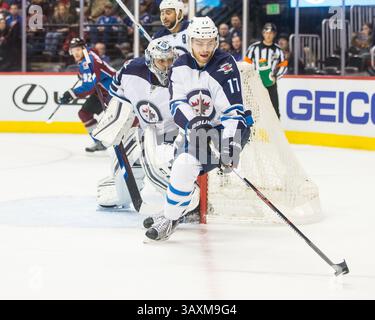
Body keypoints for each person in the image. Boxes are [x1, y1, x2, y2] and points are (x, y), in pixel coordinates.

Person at [145, 16, 253, 241]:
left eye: (209, 42)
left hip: (228, 129)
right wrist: (194, 124)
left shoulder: (225, 64)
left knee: (185, 166)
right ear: (190, 41)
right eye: (199, 43)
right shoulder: (180, 65)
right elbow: (177, 104)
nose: (205, 49)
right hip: (198, 129)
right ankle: (171, 215)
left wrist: (230, 146)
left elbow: (234, 111)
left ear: (216, 41)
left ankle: (170, 215)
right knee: (181, 166)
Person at [93, 39, 192, 214]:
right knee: (120, 169)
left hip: (173, 132)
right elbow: (118, 97)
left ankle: (184, 201)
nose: (167, 65)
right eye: (161, 61)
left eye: (170, 60)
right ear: (150, 60)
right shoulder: (131, 70)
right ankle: (118, 192)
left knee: (158, 169)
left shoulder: (183, 76)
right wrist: (114, 124)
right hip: (146, 130)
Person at [59, 38, 116, 152]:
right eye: (73, 50)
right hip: (101, 92)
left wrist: (71, 93)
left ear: (84, 49)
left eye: (78, 49)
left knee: (116, 120)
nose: (75, 53)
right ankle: (99, 142)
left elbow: (89, 86)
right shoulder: (89, 56)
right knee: (84, 113)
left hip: (114, 93)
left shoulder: (88, 62)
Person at [244, 23, 288, 119]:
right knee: (253, 107)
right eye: (266, 32)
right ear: (263, 33)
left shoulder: (278, 50)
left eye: (271, 33)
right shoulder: (253, 48)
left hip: (271, 84)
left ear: (274, 34)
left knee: (274, 109)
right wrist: (250, 77)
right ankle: (253, 130)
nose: (268, 35)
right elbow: (246, 64)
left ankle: (275, 132)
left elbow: (284, 66)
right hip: (255, 83)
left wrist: (275, 77)